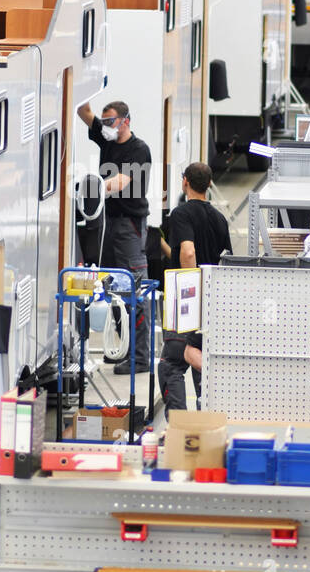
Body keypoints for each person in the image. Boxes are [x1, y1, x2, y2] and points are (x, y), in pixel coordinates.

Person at [78, 99, 152, 376]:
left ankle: (141, 356)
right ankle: (125, 350)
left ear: (125, 121)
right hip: (107, 224)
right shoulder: (107, 138)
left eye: (111, 122)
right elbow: (83, 112)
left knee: (134, 288)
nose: (106, 126)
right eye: (105, 122)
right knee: (112, 287)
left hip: (129, 226)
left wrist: (93, 186)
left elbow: (121, 181)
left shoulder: (139, 149)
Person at [158, 162, 232, 416]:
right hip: (214, 301)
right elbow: (227, 262)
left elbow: (188, 252)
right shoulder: (220, 220)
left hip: (188, 301)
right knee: (202, 363)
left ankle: (179, 426)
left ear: (185, 182)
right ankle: (205, 425)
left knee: (172, 364)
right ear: (209, 185)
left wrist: (190, 290)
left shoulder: (181, 214)